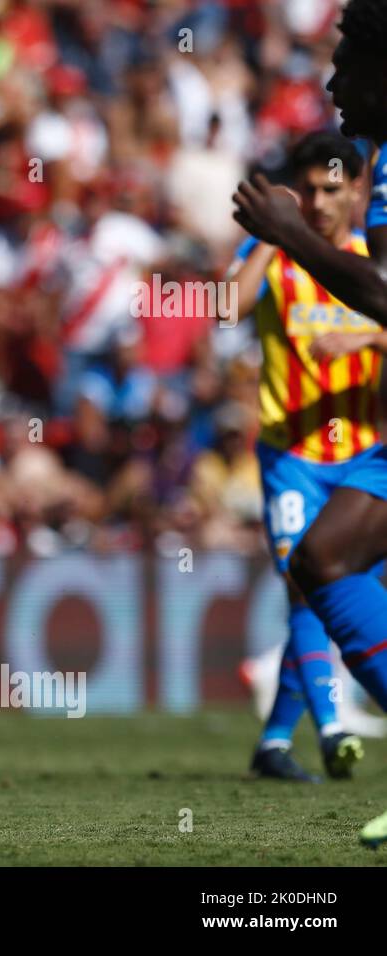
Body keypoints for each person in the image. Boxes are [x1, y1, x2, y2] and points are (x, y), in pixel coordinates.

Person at [232, 0, 387, 847]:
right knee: (318, 570)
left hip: (358, 444)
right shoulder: (301, 259)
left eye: (347, 62)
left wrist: (292, 232)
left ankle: (302, 731)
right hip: (296, 453)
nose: (332, 81)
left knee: (322, 571)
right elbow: (231, 310)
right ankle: (320, 729)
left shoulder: (364, 232)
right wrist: (273, 242)